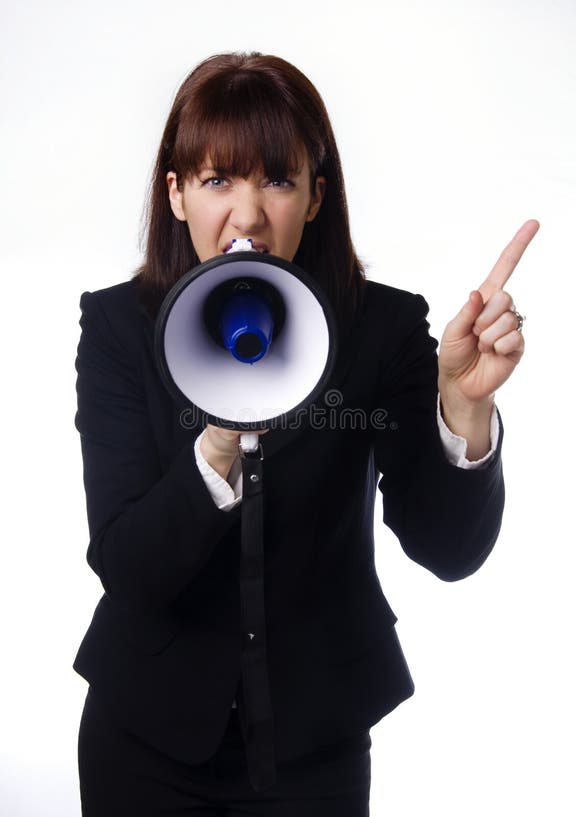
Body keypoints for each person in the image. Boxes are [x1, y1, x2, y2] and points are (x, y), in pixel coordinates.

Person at [74, 52, 538, 816]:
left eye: (278, 179)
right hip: (145, 741)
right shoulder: (121, 328)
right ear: (177, 194)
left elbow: (449, 551)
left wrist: (463, 408)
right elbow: (128, 567)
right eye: (217, 179)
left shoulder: (380, 328)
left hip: (314, 747)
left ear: (317, 196)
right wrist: (219, 440)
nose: (248, 215)